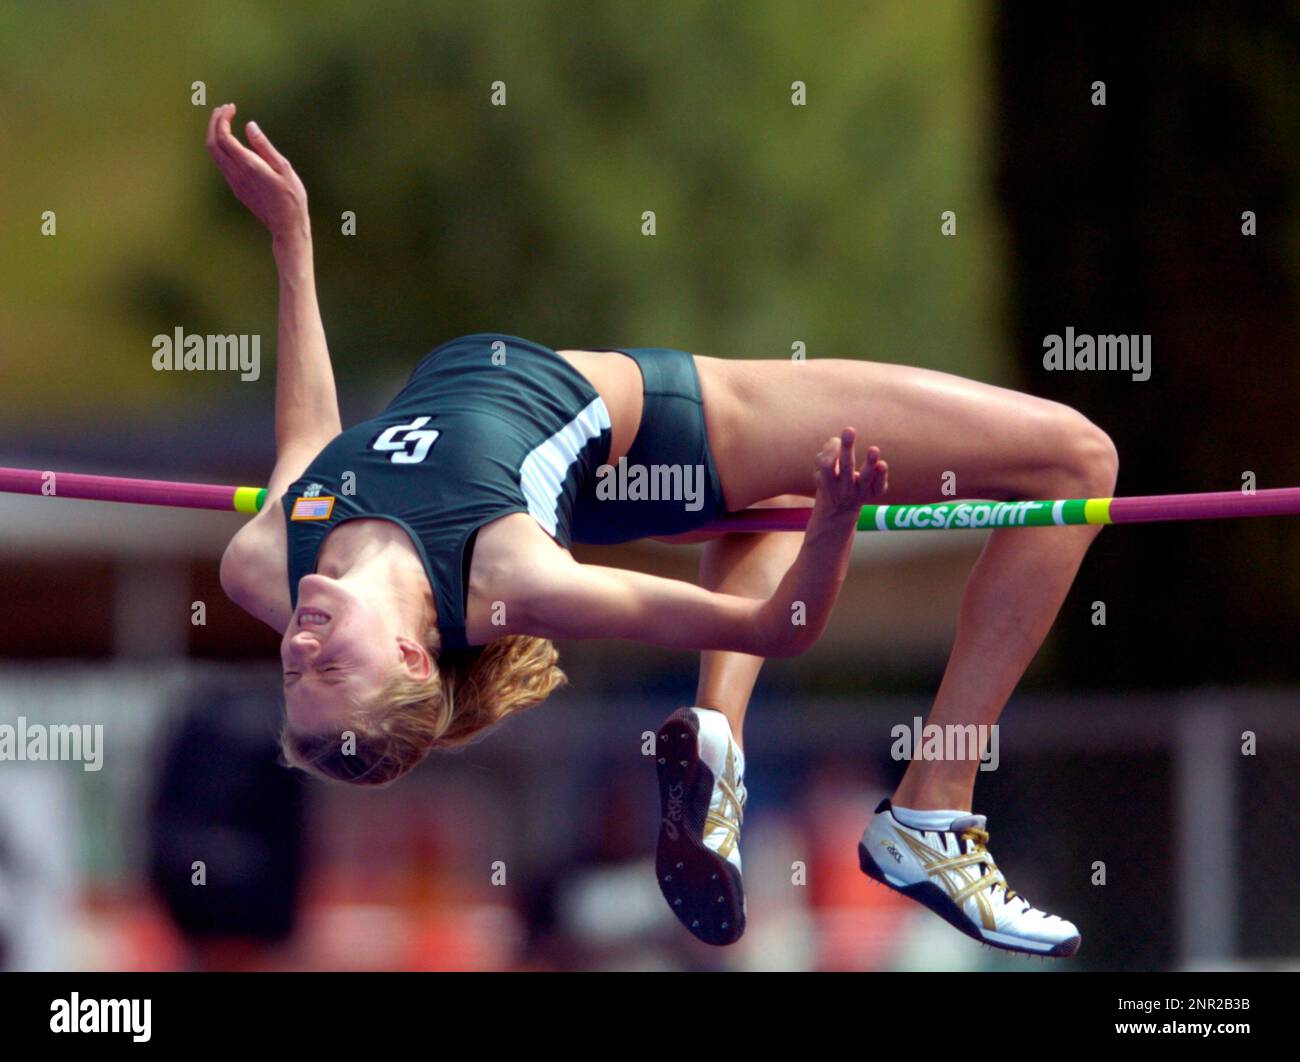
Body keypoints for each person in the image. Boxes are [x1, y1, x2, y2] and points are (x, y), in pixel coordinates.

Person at [211, 103, 1116, 958]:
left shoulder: (265, 560)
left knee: (762, 508)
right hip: (684, 428)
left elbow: (308, 436)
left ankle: (721, 739)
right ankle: (933, 807)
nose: (302, 648)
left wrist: (292, 237)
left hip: (602, 483)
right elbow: (778, 629)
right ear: (413, 659)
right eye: (332, 671)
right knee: (1075, 462)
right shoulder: (508, 576)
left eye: (294, 672)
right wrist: (833, 524)